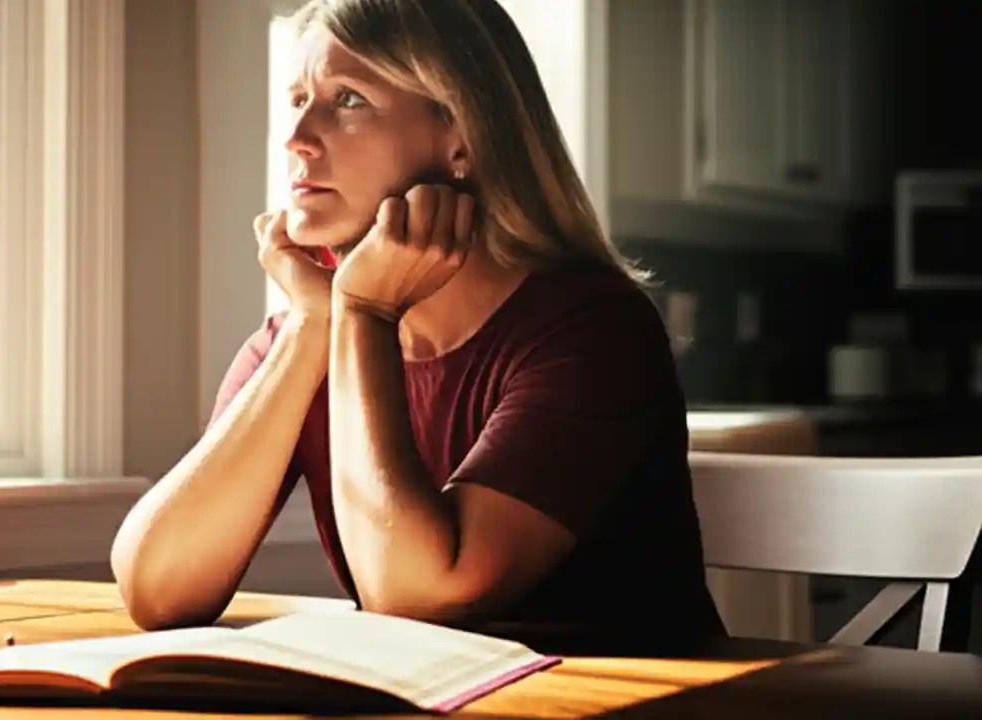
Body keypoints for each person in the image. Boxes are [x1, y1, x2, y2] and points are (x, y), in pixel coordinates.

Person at [110, 0, 725, 649]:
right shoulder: (309, 329)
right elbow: (157, 589)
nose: (296, 136)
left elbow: (419, 597)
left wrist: (365, 315)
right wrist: (314, 327)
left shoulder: (593, 332)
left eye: (347, 99)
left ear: (461, 134)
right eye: (297, 98)